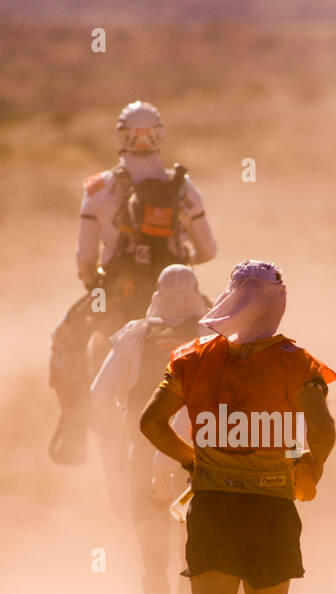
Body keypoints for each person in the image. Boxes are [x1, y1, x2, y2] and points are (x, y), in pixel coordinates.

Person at [139, 260, 336, 594]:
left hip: (214, 507)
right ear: (278, 304)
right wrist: (308, 467)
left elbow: (150, 423)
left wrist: (192, 461)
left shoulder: (192, 358)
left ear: (230, 298)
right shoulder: (299, 364)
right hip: (272, 509)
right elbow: (320, 428)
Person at [49, 101, 218, 465]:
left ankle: (74, 431)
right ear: (158, 136)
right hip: (180, 291)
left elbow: (84, 257)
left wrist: (94, 283)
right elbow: (208, 250)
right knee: (222, 342)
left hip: (115, 294)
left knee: (66, 340)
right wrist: (181, 258)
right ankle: (232, 429)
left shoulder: (99, 189)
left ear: (121, 137)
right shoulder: (185, 188)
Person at [91, 264, 208, 594]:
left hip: (145, 454)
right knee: (191, 563)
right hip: (199, 461)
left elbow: (99, 396)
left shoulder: (135, 335)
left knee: (153, 562)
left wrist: (128, 426)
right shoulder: (216, 335)